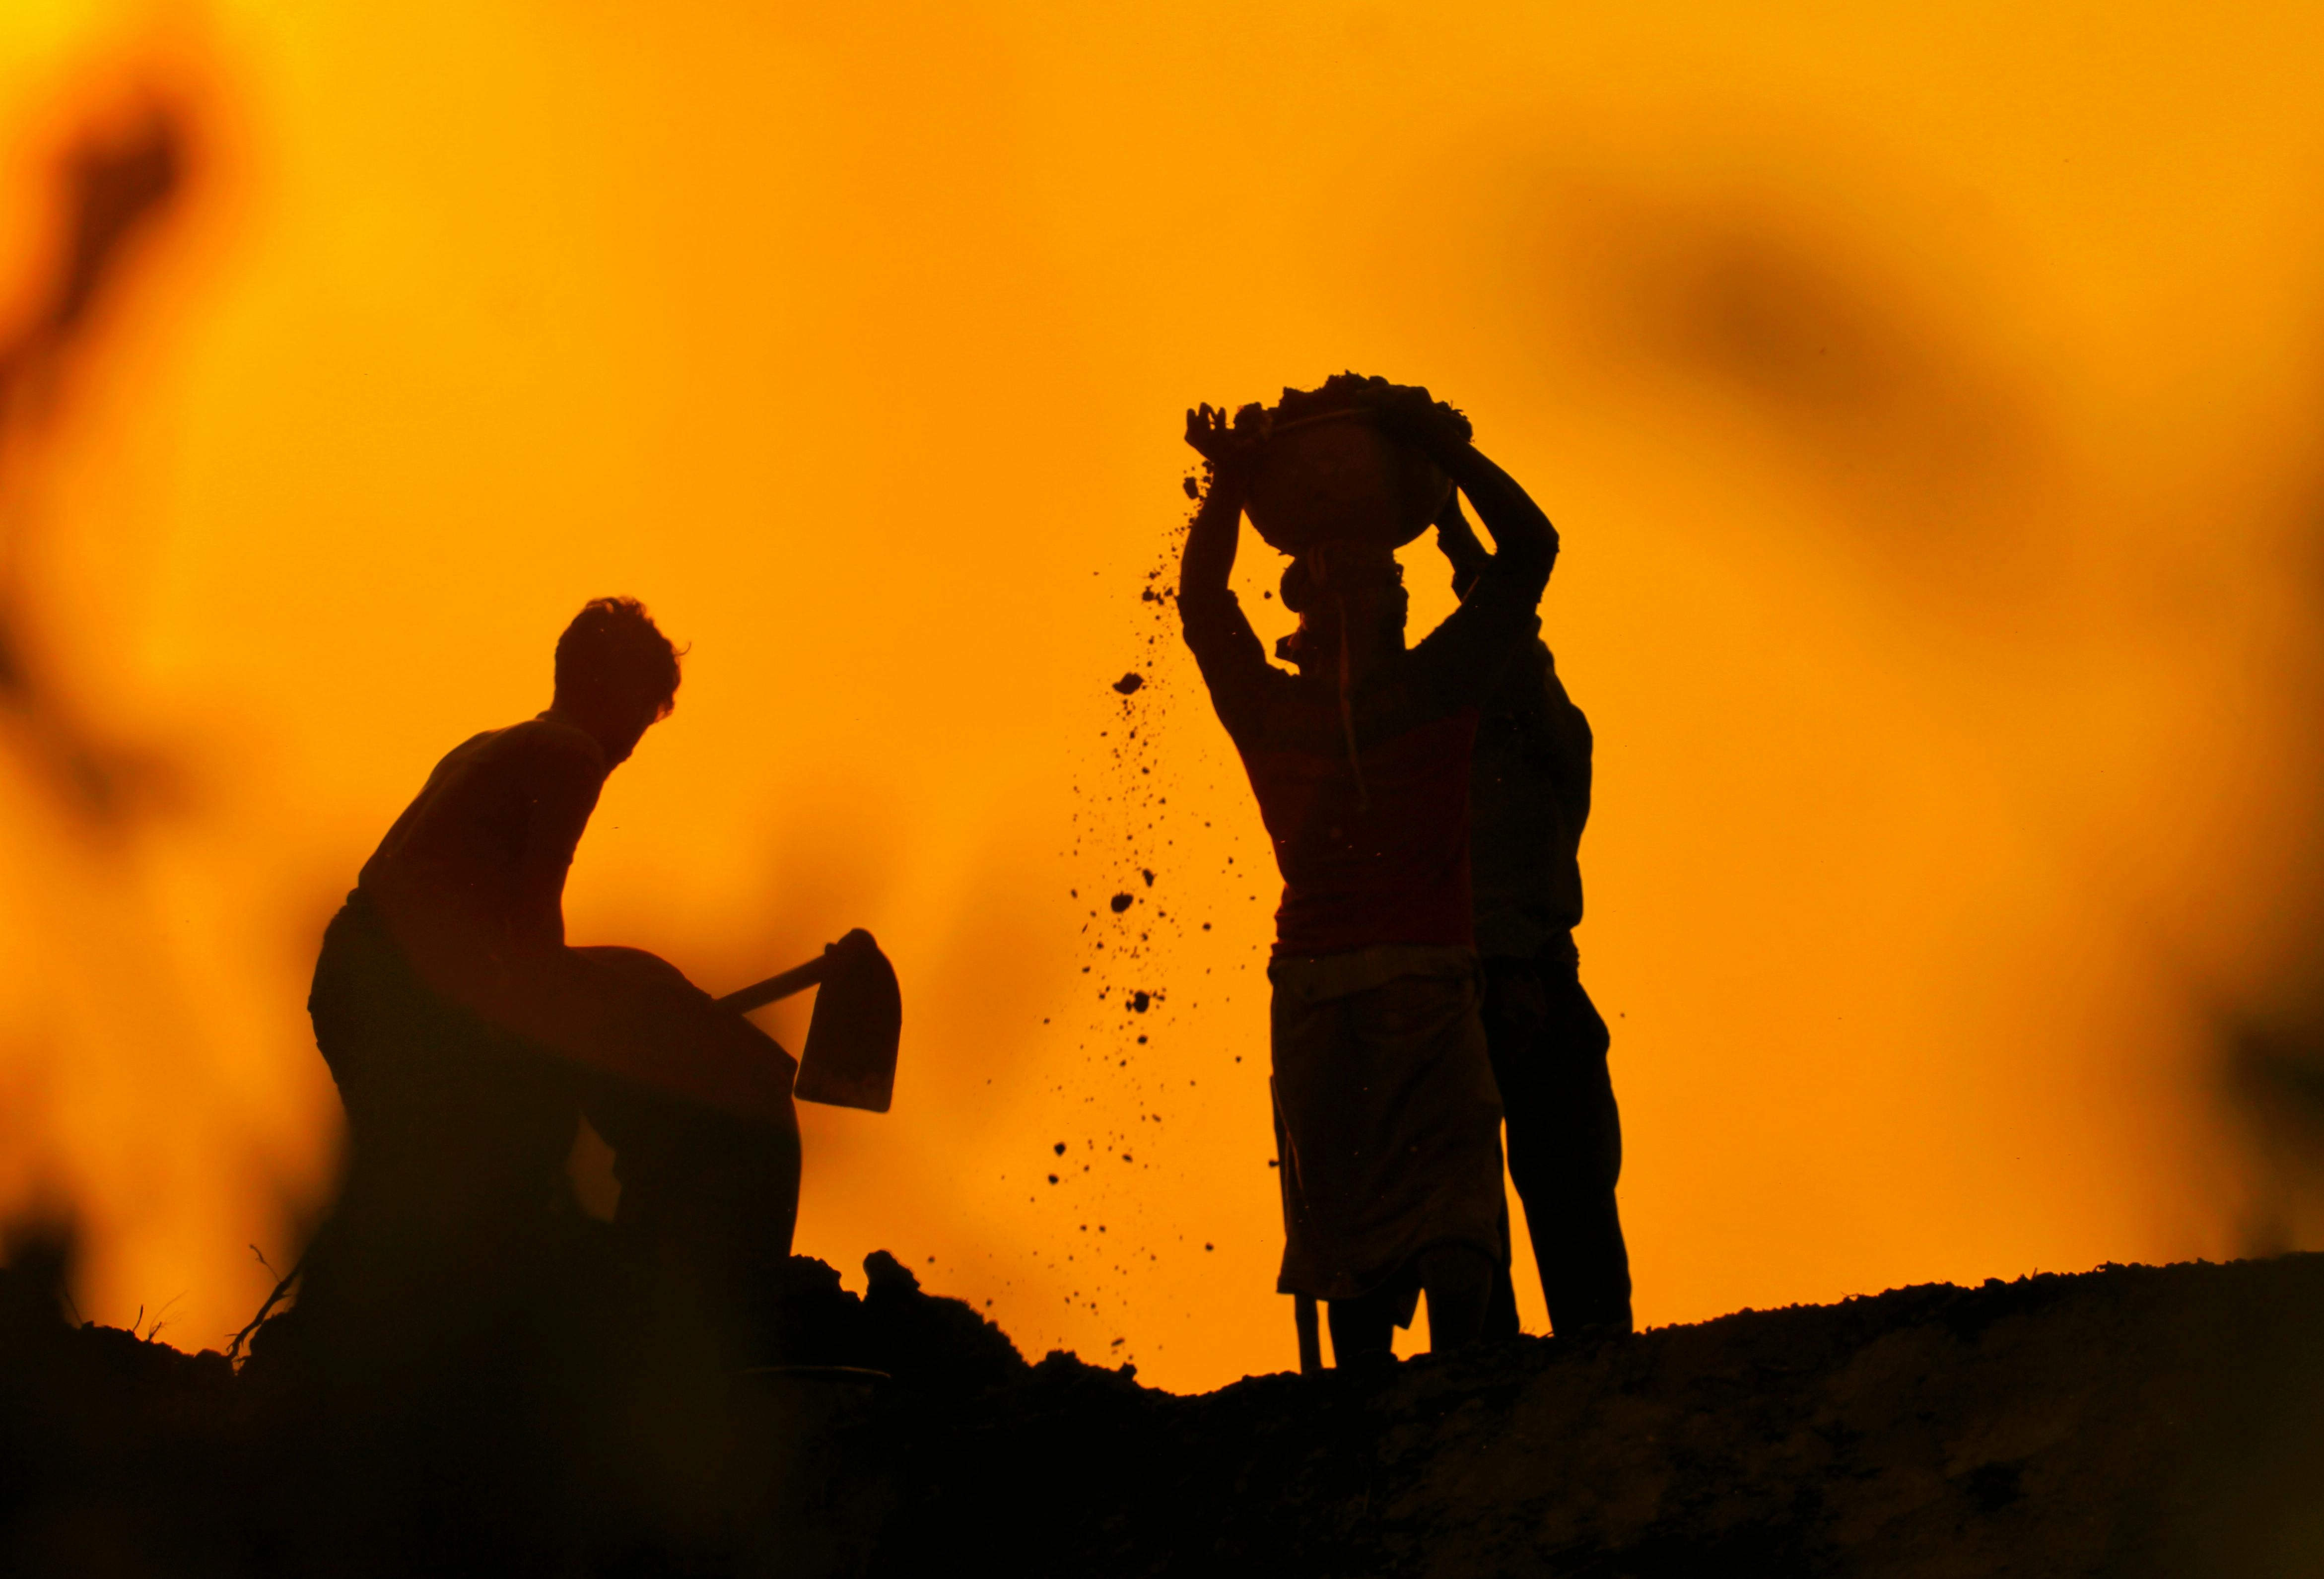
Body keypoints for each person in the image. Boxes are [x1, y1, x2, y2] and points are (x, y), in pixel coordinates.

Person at [294, 597, 800, 1373]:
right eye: (641, 713)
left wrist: (623, 987)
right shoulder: (569, 756)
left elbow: (496, 933)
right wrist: (632, 1020)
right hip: (400, 991)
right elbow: (534, 926)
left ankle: (343, 1352)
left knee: (415, 1174)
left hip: (357, 973)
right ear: (611, 690)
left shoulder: (492, 745)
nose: (633, 742)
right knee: (513, 1152)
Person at [1178, 388, 1555, 1365]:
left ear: (1295, 627)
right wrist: (1438, 448)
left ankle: (1365, 1403)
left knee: (1345, 1217)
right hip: (1421, 976)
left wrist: (1228, 487)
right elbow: (1531, 550)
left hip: (1314, 990)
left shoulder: (1268, 711)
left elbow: (1204, 605)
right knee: (1452, 1188)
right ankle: (1462, 1384)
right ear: (1398, 612)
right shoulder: (1435, 685)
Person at [1437, 499, 1634, 1342]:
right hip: (1462, 989)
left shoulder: (1545, 747)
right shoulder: (1453, 752)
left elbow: (1512, 620)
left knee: (1566, 1196)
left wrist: (1456, 539)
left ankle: (1590, 1360)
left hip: (1530, 982)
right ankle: (1500, 1371)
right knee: (1469, 1212)